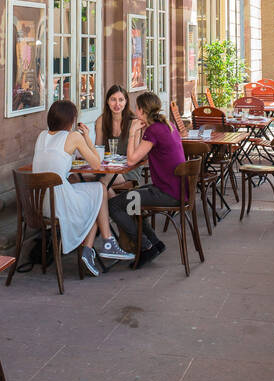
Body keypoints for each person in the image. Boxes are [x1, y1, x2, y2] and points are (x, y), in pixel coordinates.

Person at [33, 99, 134, 275]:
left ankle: (93, 248)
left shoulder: (42, 136)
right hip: (60, 204)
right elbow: (96, 163)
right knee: (100, 191)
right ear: (72, 120)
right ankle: (105, 242)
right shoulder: (73, 137)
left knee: (94, 195)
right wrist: (86, 136)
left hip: (40, 205)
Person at [109, 91, 185, 265]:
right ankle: (155, 243)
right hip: (175, 189)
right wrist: (138, 134)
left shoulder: (154, 131)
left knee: (114, 205)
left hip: (167, 193)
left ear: (142, 110)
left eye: (137, 108)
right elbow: (140, 156)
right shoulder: (167, 125)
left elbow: (131, 160)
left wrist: (133, 131)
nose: (136, 112)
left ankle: (145, 246)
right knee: (133, 198)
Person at [95, 84, 142, 188]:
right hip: (107, 168)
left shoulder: (134, 122)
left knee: (102, 184)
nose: (117, 104)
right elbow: (98, 149)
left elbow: (135, 155)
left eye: (121, 100)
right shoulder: (101, 121)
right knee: (75, 178)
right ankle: (114, 202)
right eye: (113, 99)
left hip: (128, 169)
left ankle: (112, 203)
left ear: (126, 102)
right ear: (107, 101)